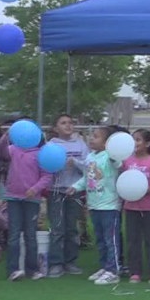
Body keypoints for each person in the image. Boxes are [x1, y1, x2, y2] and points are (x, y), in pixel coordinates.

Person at [70, 126, 121, 285]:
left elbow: (117, 163)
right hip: (94, 205)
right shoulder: (90, 157)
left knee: (110, 239)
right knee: (100, 239)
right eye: (92, 136)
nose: (92, 138)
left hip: (109, 206)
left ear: (107, 143)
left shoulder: (110, 157)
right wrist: (75, 187)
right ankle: (105, 266)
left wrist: (114, 153)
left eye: (96, 136)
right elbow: (87, 178)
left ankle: (113, 270)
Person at [2, 128, 52, 280]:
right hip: (13, 198)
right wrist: (6, 135)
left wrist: (35, 189)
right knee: (14, 234)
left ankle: (32, 269)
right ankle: (13, 269)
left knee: (30, 234)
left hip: (32, 200)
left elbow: (47, 176)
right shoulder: (12, 150)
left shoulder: (41, 154)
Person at [47, 114, 89, 278]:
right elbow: (46, 167)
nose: (68, 125)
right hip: (56, 190)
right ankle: (56, 263)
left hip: (75, 191)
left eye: (70, 122)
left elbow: (88, 166)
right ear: (56, 128)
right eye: (63, 123)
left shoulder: (80, 144)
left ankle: (70, 262)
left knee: (71, 228)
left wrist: (75, 162)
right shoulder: (51, 145)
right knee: (57, 228)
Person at [122, 129, 150, 284]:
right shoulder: (127, 161)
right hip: (131, 208)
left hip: (149, 208)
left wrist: (142, 191)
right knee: (133, 241)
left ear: (147, 144)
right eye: (133, 140)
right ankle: (135, 272)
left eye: (138, 140)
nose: (135, 143)